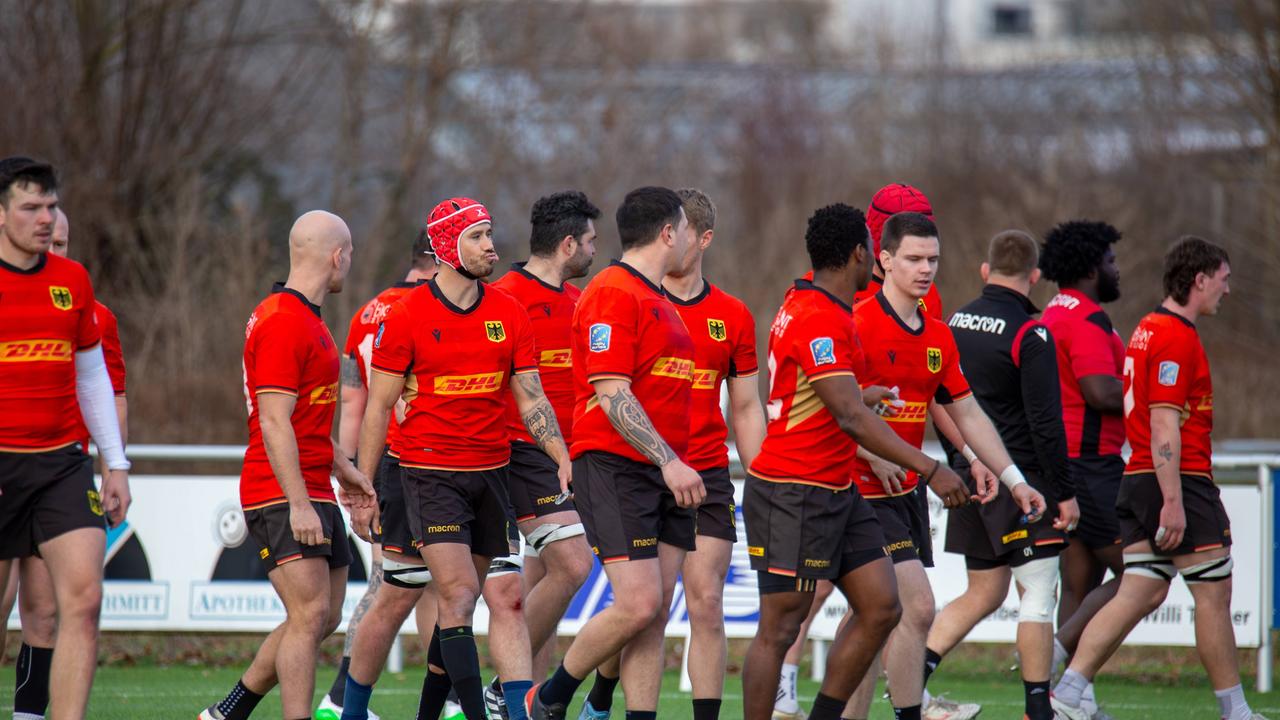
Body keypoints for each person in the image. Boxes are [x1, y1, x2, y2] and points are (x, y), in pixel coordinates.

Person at [739, 203, 981, 720]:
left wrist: (860, 394)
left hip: (836, 490)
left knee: (882, 606)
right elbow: (849, 417)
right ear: (860, 254)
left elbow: (831, 395)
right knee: (780, 628)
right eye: (872, 248)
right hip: (792, 489)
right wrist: (931, 468)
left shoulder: (819, 303)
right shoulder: (819, 316)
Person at [343, 197, 570, 720]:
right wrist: (364, 488)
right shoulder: (406, 316)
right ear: (447, 246)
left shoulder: (508, 312)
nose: (491, 245)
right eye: (477, 236)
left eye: (490, 233)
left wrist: (561, 454)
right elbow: (378, 407)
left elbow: (532, 398)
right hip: (424, 474)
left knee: (496, 596)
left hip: (491, 475)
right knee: (424, 596)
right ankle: (353, 709)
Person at [843, 212, 1051, 720]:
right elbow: (832, 408)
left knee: (873, 618)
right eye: (913, 259)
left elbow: (968, 413)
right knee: (915, 607)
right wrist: (872, 453)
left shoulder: (937, 335)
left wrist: (1011, 479)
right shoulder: (858, 322)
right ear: (885, 260)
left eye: (932, 259)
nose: (925, 269)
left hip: (905, 491)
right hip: (855, 491)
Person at [1053, 237, 1268, 720]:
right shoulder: (1175, 336)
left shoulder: (1147, 328)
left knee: (1142, 589)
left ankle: (1067, 689)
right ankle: (1236, 712)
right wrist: (1173, 500)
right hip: (1178, 478)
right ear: (1200, 279)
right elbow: (1164, 422)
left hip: (1138, 476)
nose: (1227, 290)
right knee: (1214, 593)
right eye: (1224, 279)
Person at [525, 186, 704, 720]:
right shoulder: (612, 291)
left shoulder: (660, 298)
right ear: (668, 233)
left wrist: (676, 463)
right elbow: (612, 392)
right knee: (638, 603)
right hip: (617, 466)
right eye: (687, 230)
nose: (691, 240)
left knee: (654, 614)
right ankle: (548, 698)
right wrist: (669, 461)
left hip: (666, 474)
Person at [200, 210, 375, 720]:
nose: (350, 263)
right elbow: (274, 422)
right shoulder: (281, 320)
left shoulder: (307, 319)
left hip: (315, 485)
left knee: (324, 615)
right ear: (337, 257)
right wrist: (298, 502)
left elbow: (305, 421)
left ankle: (229, 711)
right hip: (280, 490)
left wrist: (344, 468)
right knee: (309, 613)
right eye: (350, 254)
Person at [921, 231, 1077, 720]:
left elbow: (938, 401)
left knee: (984, 593)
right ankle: (1038, 709)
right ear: (1035, 277)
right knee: (1039, 595)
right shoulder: (1031, 333)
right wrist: (1063, 491)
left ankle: (910, 677)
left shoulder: (951, 324)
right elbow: (1046, 422)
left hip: (969, 475)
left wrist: (962, 459)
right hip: (1019, 481)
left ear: (985, 272)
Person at [0, 157, 130, 720]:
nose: (45, 219)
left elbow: (92, 376)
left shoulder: (72, 280)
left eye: (50, 207)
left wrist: (115, 463)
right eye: (31, 207)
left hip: (61, 465)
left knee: (83, 603)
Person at [315, 229, 437, 720]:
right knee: (404, 582)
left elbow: (352, 400)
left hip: (376, 458)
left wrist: (351, 470)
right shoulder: (432, 307)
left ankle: (443, 698)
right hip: (415, 455)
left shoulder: (368, 312)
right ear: (439, 258)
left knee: (408, 580)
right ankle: (341, 697)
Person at [489, 191, 599, 714]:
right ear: (568, 244)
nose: (596, 251)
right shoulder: (503, 298)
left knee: (545, 592)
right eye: (591, 241)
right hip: (516, 456)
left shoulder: (580, 303)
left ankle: (523, 706)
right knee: (573, 567)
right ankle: (497, 688)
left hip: (565, 462)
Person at [662, 187, 766, 720]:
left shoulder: (733, 314)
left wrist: (765, 479)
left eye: (676, 233)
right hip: (643, 473)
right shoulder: (634, 302)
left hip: (707, 474)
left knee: (706, 602)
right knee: (646, 607)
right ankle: (605, 700)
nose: (666, 243)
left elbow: (745, 407)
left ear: (702, 239)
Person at [1037, 220, 1127, 696]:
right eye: (1111, 260)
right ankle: (1056, 650)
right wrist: (1155, 395)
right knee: (1144, 572)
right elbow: (1100, 391)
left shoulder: (1053, 311)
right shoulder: (1088, 318)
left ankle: (1070, 699)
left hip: (1060, 463)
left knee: (1078, 583)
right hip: (1091, 466)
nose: (1117, 268)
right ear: (1092, 268)